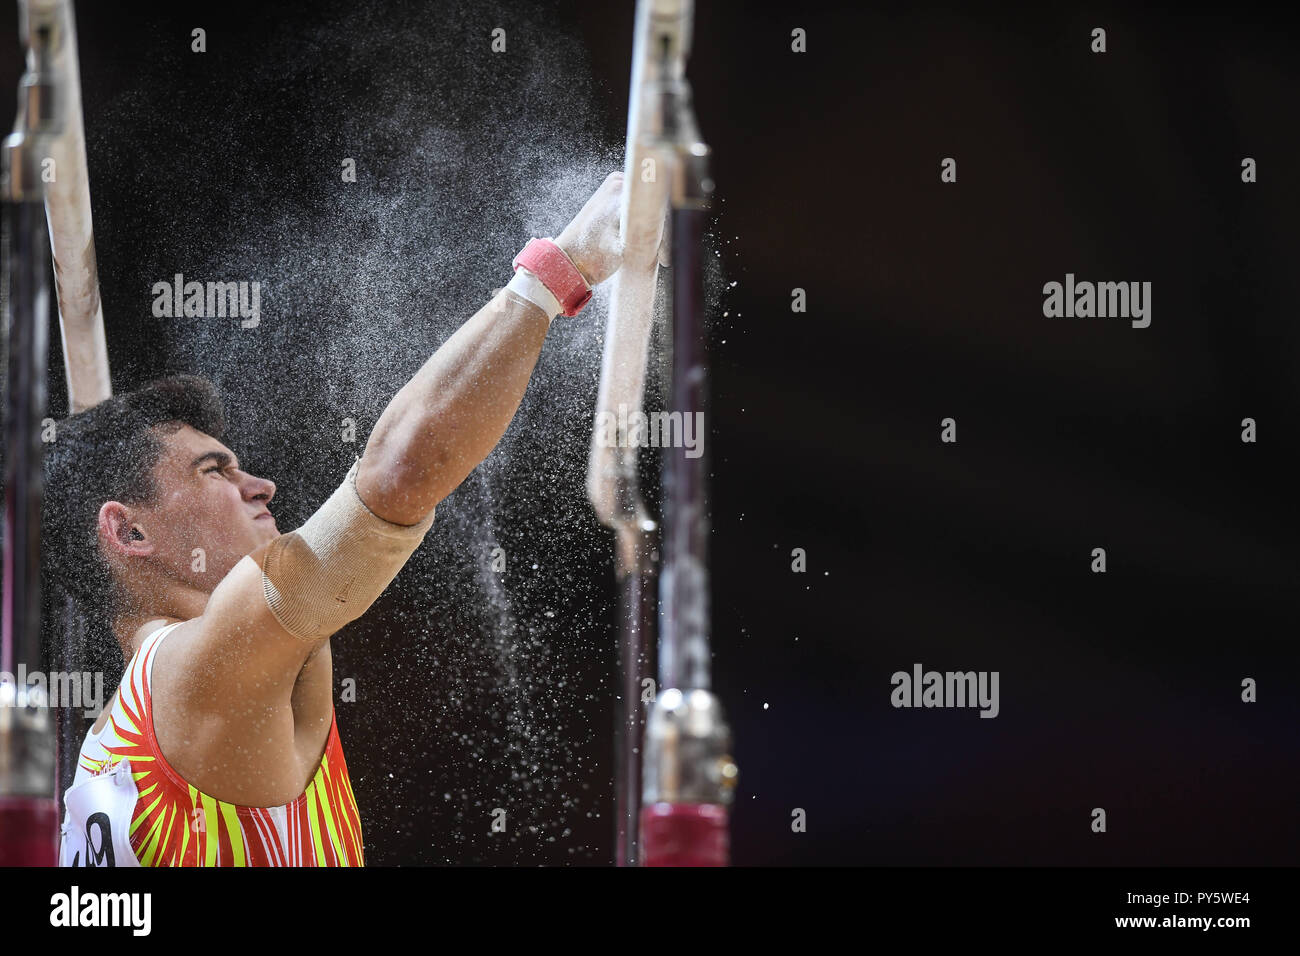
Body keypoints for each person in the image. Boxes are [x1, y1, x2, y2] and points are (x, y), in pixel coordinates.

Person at [48, 171, 661, 866]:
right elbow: (396, 482)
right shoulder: (195, 673)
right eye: (214, 470)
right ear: (129, 532)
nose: (261, 485)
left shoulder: (96, 772)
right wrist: (560, 269)